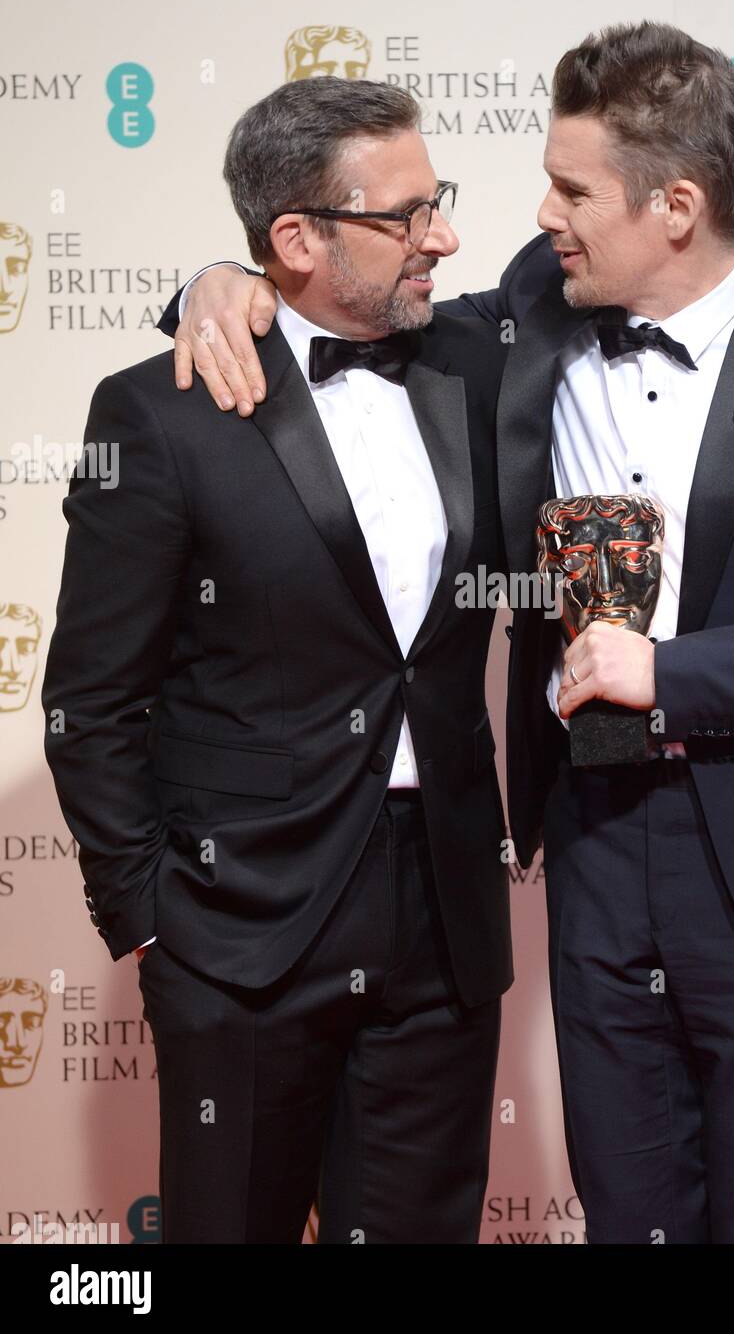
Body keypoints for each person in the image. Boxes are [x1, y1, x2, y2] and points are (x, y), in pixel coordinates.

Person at [157, 21, 734, 1243]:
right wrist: (220, 285)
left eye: (573, 188)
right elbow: (349, 302)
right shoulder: (530, 314)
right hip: (595, 851)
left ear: (676, 206)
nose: (541, 215)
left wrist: (672, 674)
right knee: (625, 1214)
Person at [42, 76, 511, 1244]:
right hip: (238, 919)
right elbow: (93, 700)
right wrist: (148, 916)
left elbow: (592, 263)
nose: (441, 236)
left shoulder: (479, 357)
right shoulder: (165, 412)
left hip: (441, 915)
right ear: (294, 239)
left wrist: (205, 274)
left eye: (436, 199)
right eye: (405, 215)